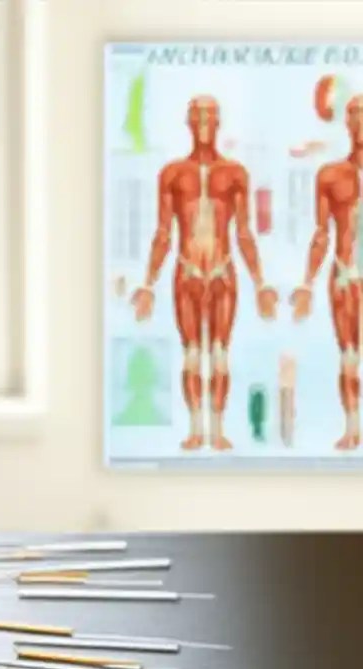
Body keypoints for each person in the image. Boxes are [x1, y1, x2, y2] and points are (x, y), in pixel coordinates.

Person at [132, 95, 278, 450]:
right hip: (187, 271)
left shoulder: (235, 173)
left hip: (222, 271)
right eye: (197, 116)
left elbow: (244, 232)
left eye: (209, 116)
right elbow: (163, 233)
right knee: (193, 353)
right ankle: (197, 428)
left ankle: (218, 428)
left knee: (220, 353)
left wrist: (260, 283)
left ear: (218, 123)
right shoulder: (172, 174)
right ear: (187, 122)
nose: (202, 123)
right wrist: (148, 284)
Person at [292, 95, 363, 449]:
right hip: (344, 272)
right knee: (349, 355)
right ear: (346, 124)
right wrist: (307, 284)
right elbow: (322, 233)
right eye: (354, 115)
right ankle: (353, 428)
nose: (361, 123)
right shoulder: (330, 175)